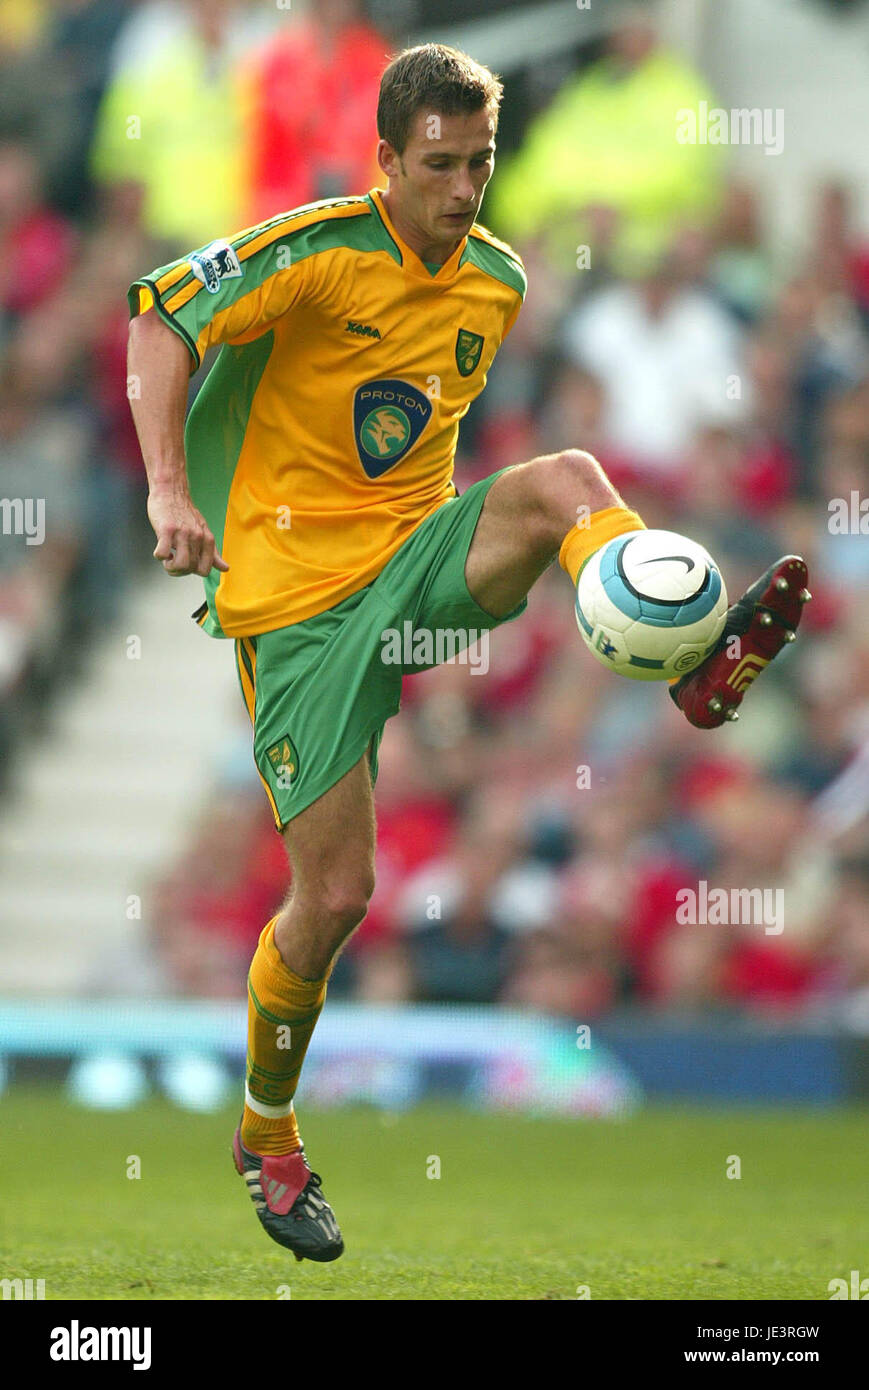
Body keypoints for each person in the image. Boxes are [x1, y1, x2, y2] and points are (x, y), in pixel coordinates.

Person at [127, 44, 809, 1264]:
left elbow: (411, 438)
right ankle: (265, 1131)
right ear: (385, 159)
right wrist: (169, 492)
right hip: (292, 608)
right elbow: (157, 317)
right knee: (334, 898)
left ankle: (690, 663)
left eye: (478, 164)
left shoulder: (494, 278)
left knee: (563, 479)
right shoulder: (320, 248)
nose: (460, 188)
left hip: (411, 564)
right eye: (436, 166)